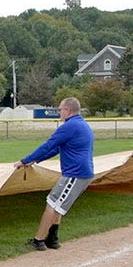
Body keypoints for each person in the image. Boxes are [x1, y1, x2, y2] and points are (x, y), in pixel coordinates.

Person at [14, 97, 95, 251]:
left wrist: (24, 161)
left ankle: (39, 240)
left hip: (75, 174)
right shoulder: (80, 124)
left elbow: (48, 145)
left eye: (60, 109)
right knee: (58, 205)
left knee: (51, 203)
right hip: (80, 173)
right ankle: (53, 239)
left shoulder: (69, 126)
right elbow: (57, 149)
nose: (59, 112)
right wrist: (36, 160)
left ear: (68, 111)